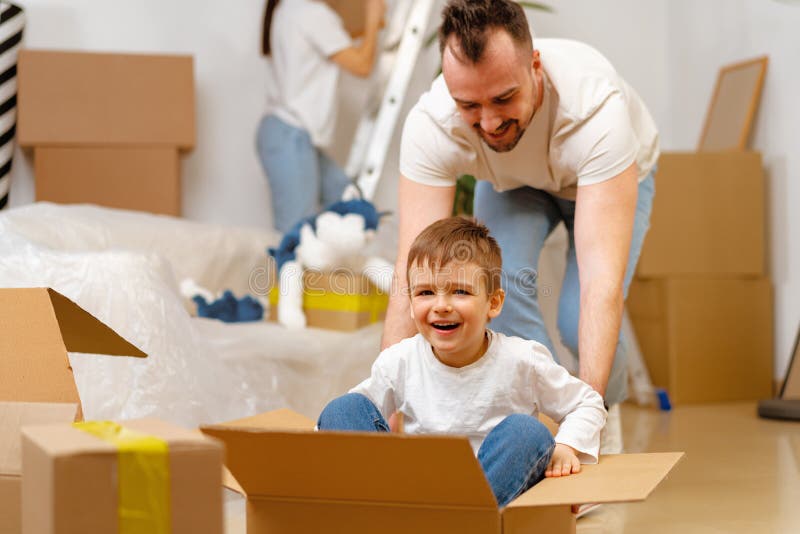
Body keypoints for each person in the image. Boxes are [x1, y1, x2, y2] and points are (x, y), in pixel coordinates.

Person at [383, 0, 659, 452]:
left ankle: (598, 410)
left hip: (605, 173)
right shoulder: (432, 123)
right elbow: (411, 265)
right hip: (515, 182)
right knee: (495, 286)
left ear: (535, 67)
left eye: (503, 98)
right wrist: (388, 405)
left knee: (575, 317)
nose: (488, 122)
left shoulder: (596, 111)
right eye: (469, 104)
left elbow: (600, 284)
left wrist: (582, 432)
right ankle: (538, 423)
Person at [318, 217, 606, 507]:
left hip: (487, 493)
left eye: (460, 292)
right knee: (343, 409)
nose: (441, 306)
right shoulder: (400, 360)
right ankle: (383, 515)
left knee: (527, 432)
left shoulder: (521, 359)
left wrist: (566, 445)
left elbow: (587, 403)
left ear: (493, 303)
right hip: (414, 491)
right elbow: (348, 422)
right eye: (426, 293)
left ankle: (464, 520)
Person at [257, 0, 386, 233]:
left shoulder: (289, 9)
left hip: (290, 135)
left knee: (352, 209)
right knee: (296, 236)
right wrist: (373, 15)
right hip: (291, 135)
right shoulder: (311, 14)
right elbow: (362, 65)